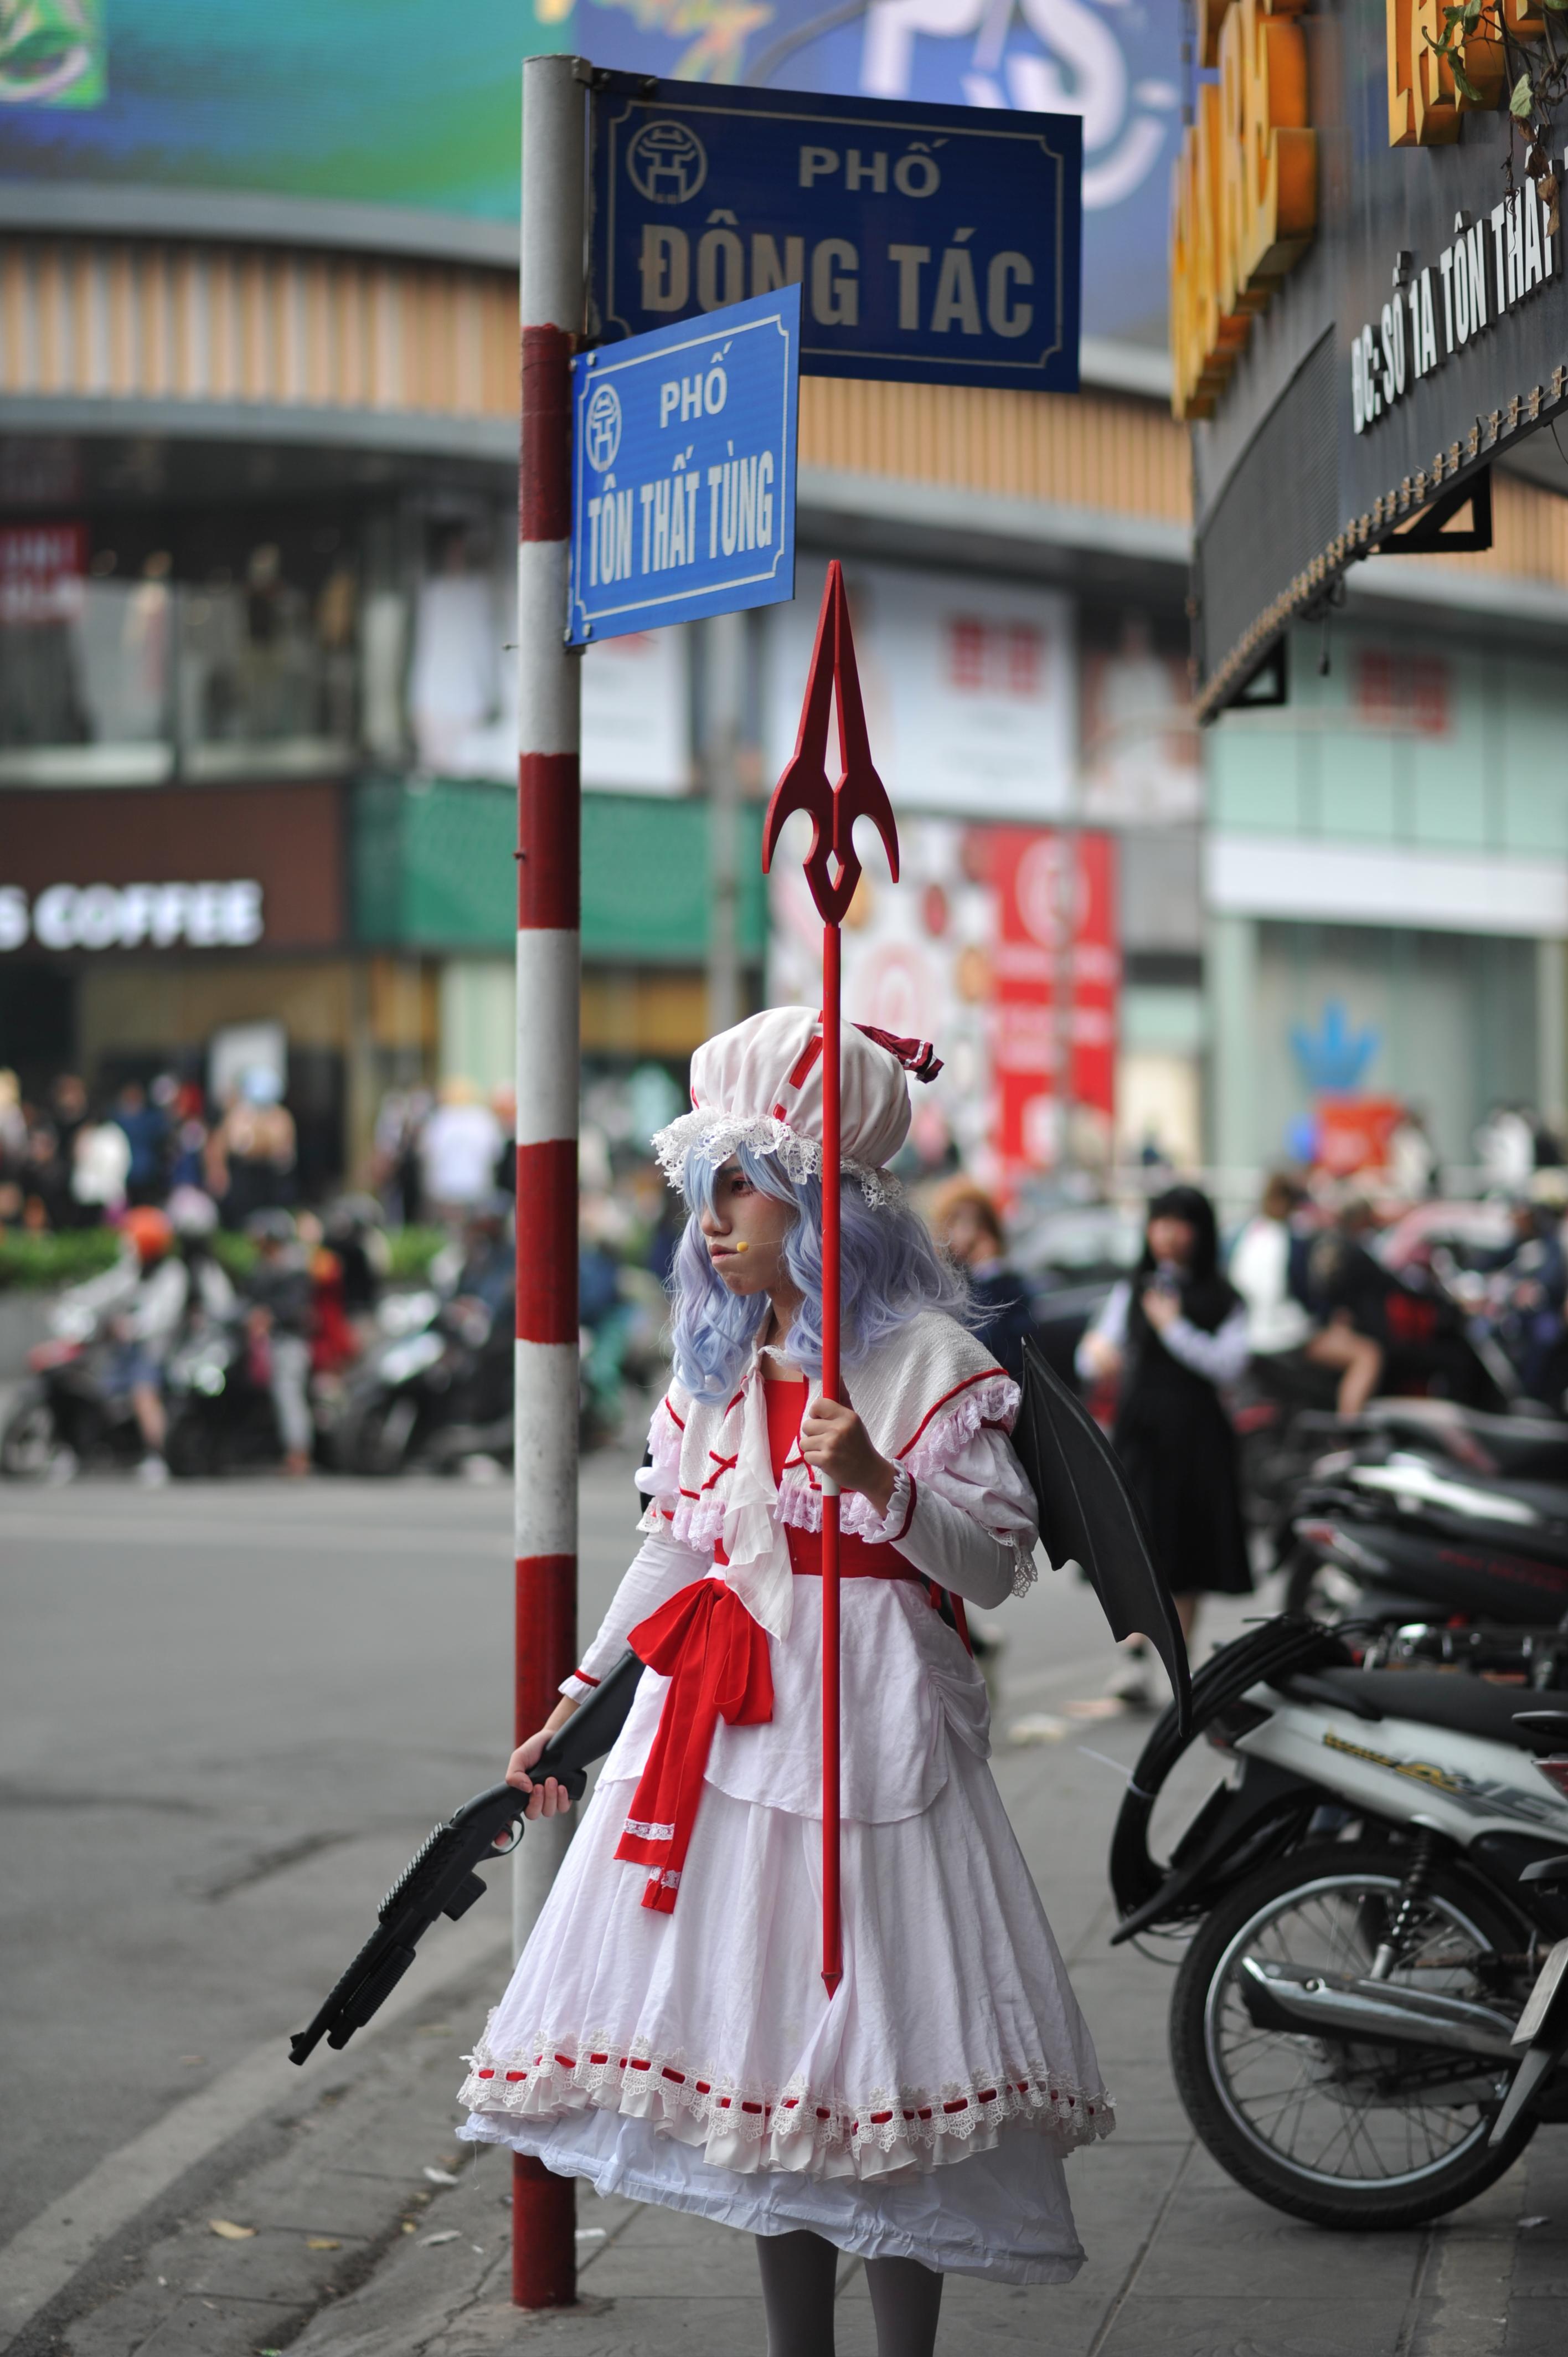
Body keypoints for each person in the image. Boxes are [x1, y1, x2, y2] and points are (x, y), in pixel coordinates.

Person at [457, 1010, 1113, 2351]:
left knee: (883, 2069)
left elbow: (990, 1569)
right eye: (700, 1190)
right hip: (734, 1735)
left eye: (741, 1187)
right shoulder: (717, 1369)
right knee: (766, 2083)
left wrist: (877, 1479)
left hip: (876, 1728)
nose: (712, 1220)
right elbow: (673, 1546)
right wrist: (576, 1706)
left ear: (824, 1202)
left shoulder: (933, 1366)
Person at [1077, 1184, 1251, 1706]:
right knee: (1138, 1543)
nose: (1168, 1235)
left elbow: (1230, 1365)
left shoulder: (1225, 1298)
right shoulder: (1132, 1289)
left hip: (1198, 1435)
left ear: (1202, 1232)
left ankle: (1179, 1660)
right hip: (1142, 1434)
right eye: (1160, 1222)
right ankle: (1133, 1659)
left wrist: (1174, 1328)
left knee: (1190, 1551)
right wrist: (1096, 1353)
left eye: (1181, 1223)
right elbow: (1094, 1353)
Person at [1230, 1174, 1383, 1416]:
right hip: (1286, 1338)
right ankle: (1349, 1432)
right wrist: (1329, 1318)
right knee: (1367, 1355)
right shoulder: (1294, 1238)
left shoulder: (1245, 1235)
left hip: (1249, 1337)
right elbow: (1306, 1294)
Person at [927, 1178, 1035, 1382]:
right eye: (957, 1220)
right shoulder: (940, 1289)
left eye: (978, 1222)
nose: (970, 1233)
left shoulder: (1007, 1282)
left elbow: (1010, 1350)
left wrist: (989, 1273)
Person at [243, 1210, 314, 1476]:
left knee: (288, 1395)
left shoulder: (294, 1268)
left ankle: (298, 1454)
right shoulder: (261, 1267)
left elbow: (296, 1308)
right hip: (261, 1346)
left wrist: (269, 1316)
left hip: (288, 1342)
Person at [207, 1069, 297, 1228]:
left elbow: (281, 1151)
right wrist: (218, 1172)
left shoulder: (281, 1116)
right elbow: (227, 1145)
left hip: (270, 1179)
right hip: (244, 1177)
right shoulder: (239, 1114)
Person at [417, 1078, 504, 1223]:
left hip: (447, 1187)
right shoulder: (482, 1118)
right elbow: (496, 1153)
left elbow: (428, 1153)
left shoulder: (440, 1119)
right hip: (477, 1185)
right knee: (474, 1227)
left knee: (452, 1227)